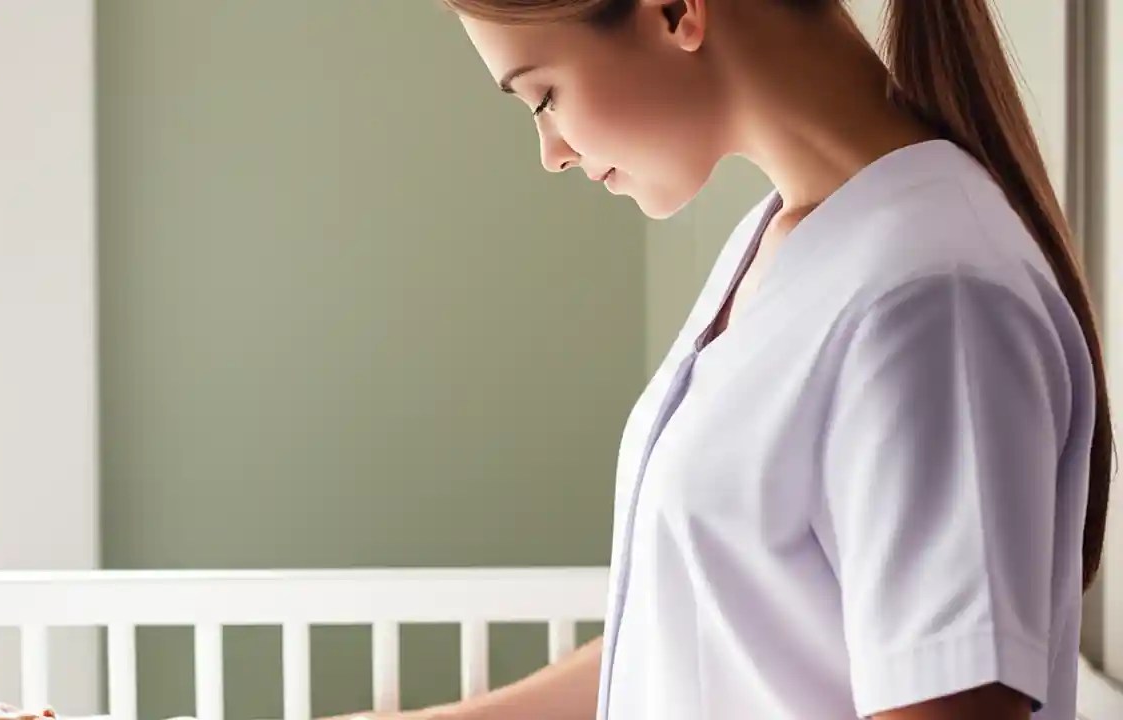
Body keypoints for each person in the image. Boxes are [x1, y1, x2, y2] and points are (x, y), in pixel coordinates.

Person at [324, 0, 1114, 718]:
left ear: (674, 10)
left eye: (543, 96)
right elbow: (717, 617)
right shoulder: (784, 239)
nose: (552, 152)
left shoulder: (934, 300)